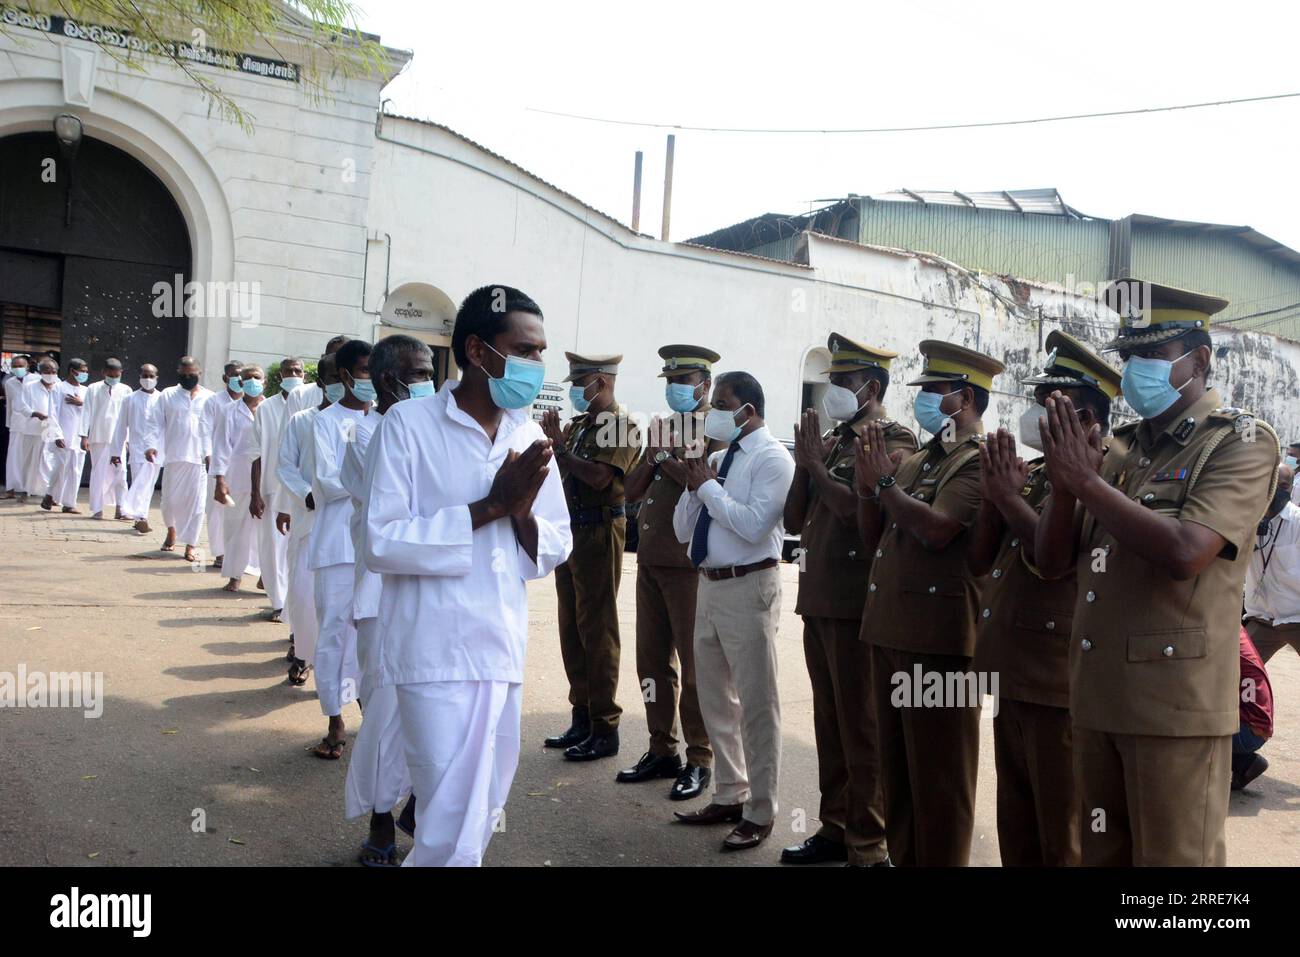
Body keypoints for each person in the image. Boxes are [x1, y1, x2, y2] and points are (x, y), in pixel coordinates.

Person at [1035, 279, 1278, 866]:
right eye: (1127, 357)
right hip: (1098, 699)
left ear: (1199, 360)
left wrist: (1087, 483)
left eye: (1152, 356)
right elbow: (1050, 564)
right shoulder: (1118, 448)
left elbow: (1185, 552)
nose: (1134, 369)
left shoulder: (1238, 443)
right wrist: (1068, 490)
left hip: (1174, 711)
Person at [362, 284, 571, 866]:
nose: (536, 365)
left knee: (478, 813)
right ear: (478, 351)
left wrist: (521, 512)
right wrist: (492, 507)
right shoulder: (408, 424)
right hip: (431, 650)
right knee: (446, 819)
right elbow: (382, 540)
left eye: (540, 352)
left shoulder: (528, 435)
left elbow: (556, 543)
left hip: (498, 647)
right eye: (524, 351)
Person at [967, 332, 1121, 867]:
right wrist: (995, 496)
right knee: (1018, 823)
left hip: (1058, 681)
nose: (1039, 416)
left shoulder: (1103, 473)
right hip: (1011, 673)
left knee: (1063, 836)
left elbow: (1054, 561)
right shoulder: (1033, 474)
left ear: (1089, 420)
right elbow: (979, 560)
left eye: (1054, 407)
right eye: (1039, 403)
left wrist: (1008, 497)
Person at [854, 339, 1004, 866]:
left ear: (962, 399)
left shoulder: (976, 460)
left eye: (934, 392)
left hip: (942, 644)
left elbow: (938, 530)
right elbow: (873, 533)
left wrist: (886, 483)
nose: (923, 401)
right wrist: (866, 483)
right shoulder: (920, 457)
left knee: (940, 785)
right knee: (899, 781)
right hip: (892, 633)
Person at [781, 335, 916, 867]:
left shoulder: (890, 440)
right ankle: (834, 826)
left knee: (862, 728)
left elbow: (865, 520)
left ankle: (868, 841)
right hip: (818, 601)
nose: (832, 390)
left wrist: (816, 468)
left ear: (871, 387)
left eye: (841, 381)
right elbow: (794, 521)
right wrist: (804, 465)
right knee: (830, 724)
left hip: (857, 604)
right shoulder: (834, 441)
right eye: (832, 380)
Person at [671, 371, 795, 852]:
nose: (713, 412)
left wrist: (706, 488)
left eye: (721, 403)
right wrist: (692, 483)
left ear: (749, 409)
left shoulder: (772, 459)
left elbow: (751, 525)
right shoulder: (719, 458)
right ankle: (729, 792)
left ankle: (761, 810)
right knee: (715, 698)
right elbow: (685, 531)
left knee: (757, 703)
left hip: (750, 586)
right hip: (709, 584)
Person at [343, 333, 435, 866]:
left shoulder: (433, 428)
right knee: (382, 709)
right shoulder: (363, 437)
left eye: (429, 373)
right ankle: (381, 820)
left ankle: (420, 802)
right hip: (380, 595)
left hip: (431, 588)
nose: (427, 382)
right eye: (417, 374)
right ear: (385, 380)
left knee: (429, 704)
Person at [617, 344, 721, 800]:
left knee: (696, 667)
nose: (676, 390)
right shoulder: (663, 428)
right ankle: (662, 748)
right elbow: (631, 488)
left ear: (705, 385)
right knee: (651, 663)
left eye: (683, 382)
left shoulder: (716, 429)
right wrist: (652, 455)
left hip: (688, 566)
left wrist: (663, 458)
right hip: (652, 561)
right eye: (670, 382)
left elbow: (704, 484)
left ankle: (701, 758)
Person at [540, 353, 642, 760]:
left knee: (598, 629)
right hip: (570, 530)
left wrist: (563, 451)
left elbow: (601, 478)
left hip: (599, 529)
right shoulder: (583, 425)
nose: (574, 391)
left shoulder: (623, 427)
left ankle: (605, 726)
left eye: (580, 382)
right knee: (572, 627)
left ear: (601, 381)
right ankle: (581, 716)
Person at [307, 341, 376, 760]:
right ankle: (334, 720)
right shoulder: (325, 422)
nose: (372, 379)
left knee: (374, 634)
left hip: (377, 547)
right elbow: (328, 482)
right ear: (347, 375)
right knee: (334, 635)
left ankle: (373, 713)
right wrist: (373, 485)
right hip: (336, 545)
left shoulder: (389, 419)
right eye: (365, 371)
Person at [277, 354, 337, 682]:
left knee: (339, 605)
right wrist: (305, 494)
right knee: (303, 596)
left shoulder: (364, 420)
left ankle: (333, 675)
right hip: (308, 523)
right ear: (322, 382)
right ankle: (303, 654)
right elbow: (285, 465)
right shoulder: (302, 420)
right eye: (334, 377)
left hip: (346, 529)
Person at [248, 357, 303, 622]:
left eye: (298, 371)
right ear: (280, 375)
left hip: (301, 492)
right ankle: (278, 602)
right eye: (289, 371)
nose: (293, 374)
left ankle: (293, 603)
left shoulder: (308, 402)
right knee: (272, 549)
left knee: (295, 551)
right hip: (270, 488)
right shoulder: (266, 408)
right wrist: (255, 493)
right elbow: (256, 454)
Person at [146, 357, 215, 563]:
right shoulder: (168, 394)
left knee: (197, 505)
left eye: (191, 374)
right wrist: (151, 445)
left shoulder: (209, 398)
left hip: (200, 460)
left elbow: (215, 428)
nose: (187, 377)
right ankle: (172, 530)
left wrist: (213, 455)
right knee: (170, 502)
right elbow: (155, 423)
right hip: (174, 457)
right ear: (178, 372)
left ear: (199, 372)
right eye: (183, 374)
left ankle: (191, 545)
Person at [211, 365, 264, 590]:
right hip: (238, 477)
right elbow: (221, 446)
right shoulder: (230, 410)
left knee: (266, 532)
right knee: (235, 528)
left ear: (265, 381)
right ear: (240, 383)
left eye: (256, 377)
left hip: (266, 478)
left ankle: (266, 577)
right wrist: (220, 479)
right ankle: (235, 576)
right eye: (247, 378)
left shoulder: (270, 409)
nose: (252, 381)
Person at [1244, 463, 1300, 663]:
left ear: (1291, 489)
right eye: (1272, 484)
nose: (1277, 491)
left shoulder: (1298, 522)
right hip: (1263, 618)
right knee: (1237, 672)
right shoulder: (1245, 520)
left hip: (1296, 616)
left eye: (1284, 486)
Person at [202, 361, 244, 568]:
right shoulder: (214, 402)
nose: (238, 379)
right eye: (233, 375)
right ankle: (220, 553)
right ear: (225, 378)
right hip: (219, 463)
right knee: (217, 511)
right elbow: (205, 429)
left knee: (240, 512)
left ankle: (240, 557)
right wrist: (208, 455)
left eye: (240, 375)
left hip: (243, 468)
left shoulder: (252, 402)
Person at [79, 358, 132, 520]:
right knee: (98, 473)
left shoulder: (126, 390)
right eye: (111, 375)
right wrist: (84, 435)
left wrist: (128, 438)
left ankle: (121, 508)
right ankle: (96, 509)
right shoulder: (93, 389)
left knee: (121, 473)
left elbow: (129, 416)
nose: (114, 378)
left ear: (121, 373)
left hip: (119, 439)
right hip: (98, 437)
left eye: (117, 375)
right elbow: (86, 412)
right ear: (104, 373)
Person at [113, 365, 163, 533]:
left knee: (148, 485)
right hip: (137, 450)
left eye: (151, 376)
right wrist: (115, 451)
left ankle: (140, 515)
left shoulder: (163, 399)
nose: (148, 379)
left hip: (157, 451)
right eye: (145, 375)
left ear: (157, 377)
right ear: (140, 376)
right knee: (139, 483)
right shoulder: (130, 399)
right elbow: (121, 427)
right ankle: (140, 517)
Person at [44, 358, 88, 513]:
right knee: (60, 466)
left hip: (79, 435)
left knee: (76, 469)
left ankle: (70, 504)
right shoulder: (58, 388)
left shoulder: (86, 391)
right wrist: (56, 435)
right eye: (82, 370)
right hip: (63, 434)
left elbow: (90, 413)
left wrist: (81, 403)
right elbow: (52, 412)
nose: (84, 374)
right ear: (72, 371)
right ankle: (49, 494)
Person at [1234, 627, 1273, 791]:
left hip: (1247, 730)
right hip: (1254, 727)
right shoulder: (1229, 625)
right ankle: (1244, 763)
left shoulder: (1218, 627)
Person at [19, 358, 61, 503]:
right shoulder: (30, 386)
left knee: (49, 461)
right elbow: (22, 407)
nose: (50, 374)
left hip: (52, 429)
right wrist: (37, 414)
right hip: (32, 428)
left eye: (53, 371)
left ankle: (49, 493)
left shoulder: (60, 386)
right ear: (40, 372)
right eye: (47, 371)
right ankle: (26, 490)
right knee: (28, 461)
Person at [3, 355, 31, 500]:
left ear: (27, 367)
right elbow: (10, 404)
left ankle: (27, 489)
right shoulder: (9, 383)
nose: (17, 369)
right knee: (13, 457)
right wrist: (9, 424)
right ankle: (11, 489)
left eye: (20, 366)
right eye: (15, 366)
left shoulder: (36, 380)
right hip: (16, 424)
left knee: (28, 458)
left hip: (32, 425)